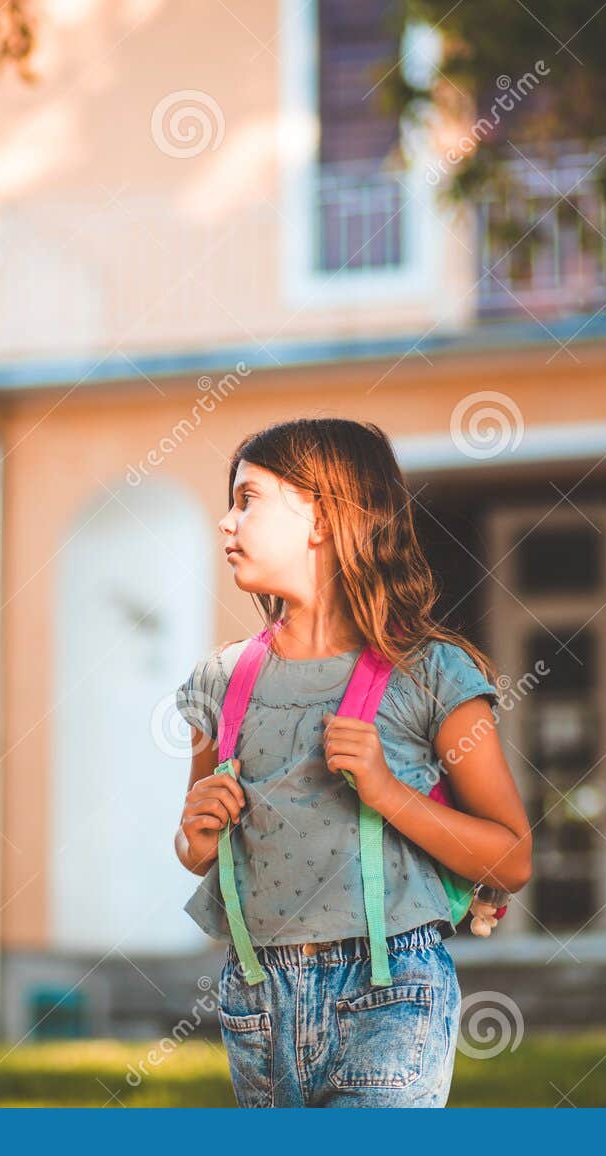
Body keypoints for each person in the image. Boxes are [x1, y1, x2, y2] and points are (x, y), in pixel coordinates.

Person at [171, 417, 532, 1107]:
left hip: (390, 995)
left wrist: (386, 791)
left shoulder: (429, 675)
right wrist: (197, 833)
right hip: (255, 999)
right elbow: (194, 850)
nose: (225, 523)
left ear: (325, 518)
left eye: (248, 500)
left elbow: (510, 858)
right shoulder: (221, 684)